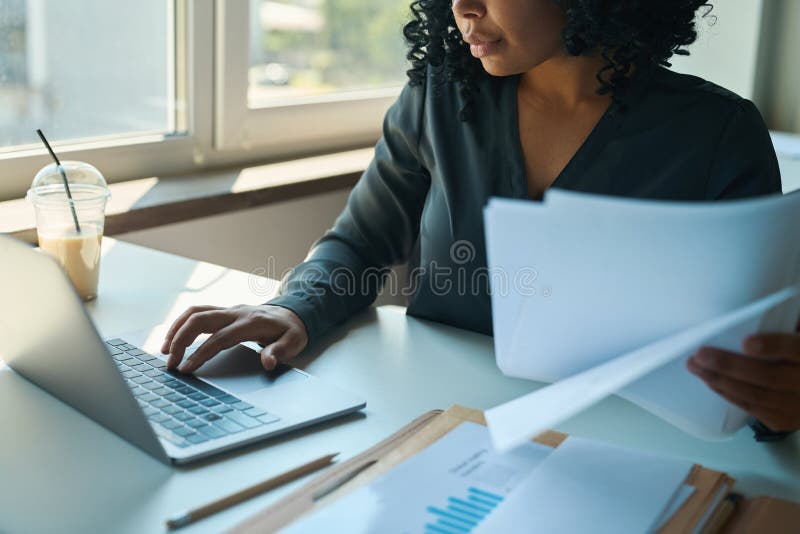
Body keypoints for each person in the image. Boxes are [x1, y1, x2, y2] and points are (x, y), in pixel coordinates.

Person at [160, 0, 800, 435]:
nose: (463, 8)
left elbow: (763, 342)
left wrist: (784, 399)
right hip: (435, 423)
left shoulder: (718, 134)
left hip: (625, 445)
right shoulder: (441, 95)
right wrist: (293, 309)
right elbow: (360, 243)